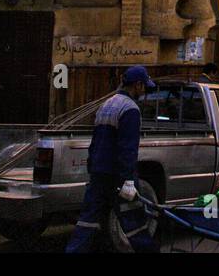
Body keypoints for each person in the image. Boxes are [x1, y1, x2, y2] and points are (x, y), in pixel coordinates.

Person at [66, 65, 156, 253]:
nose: (145, 91)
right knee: (135, 223)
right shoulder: (130, 109)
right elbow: (127, 149)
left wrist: (92, 170)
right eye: (144, 86)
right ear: (137, 85)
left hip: (99, 173)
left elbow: (95, 142)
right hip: (118, 176)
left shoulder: (106, 105)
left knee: (87, 221)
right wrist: (128, 180)